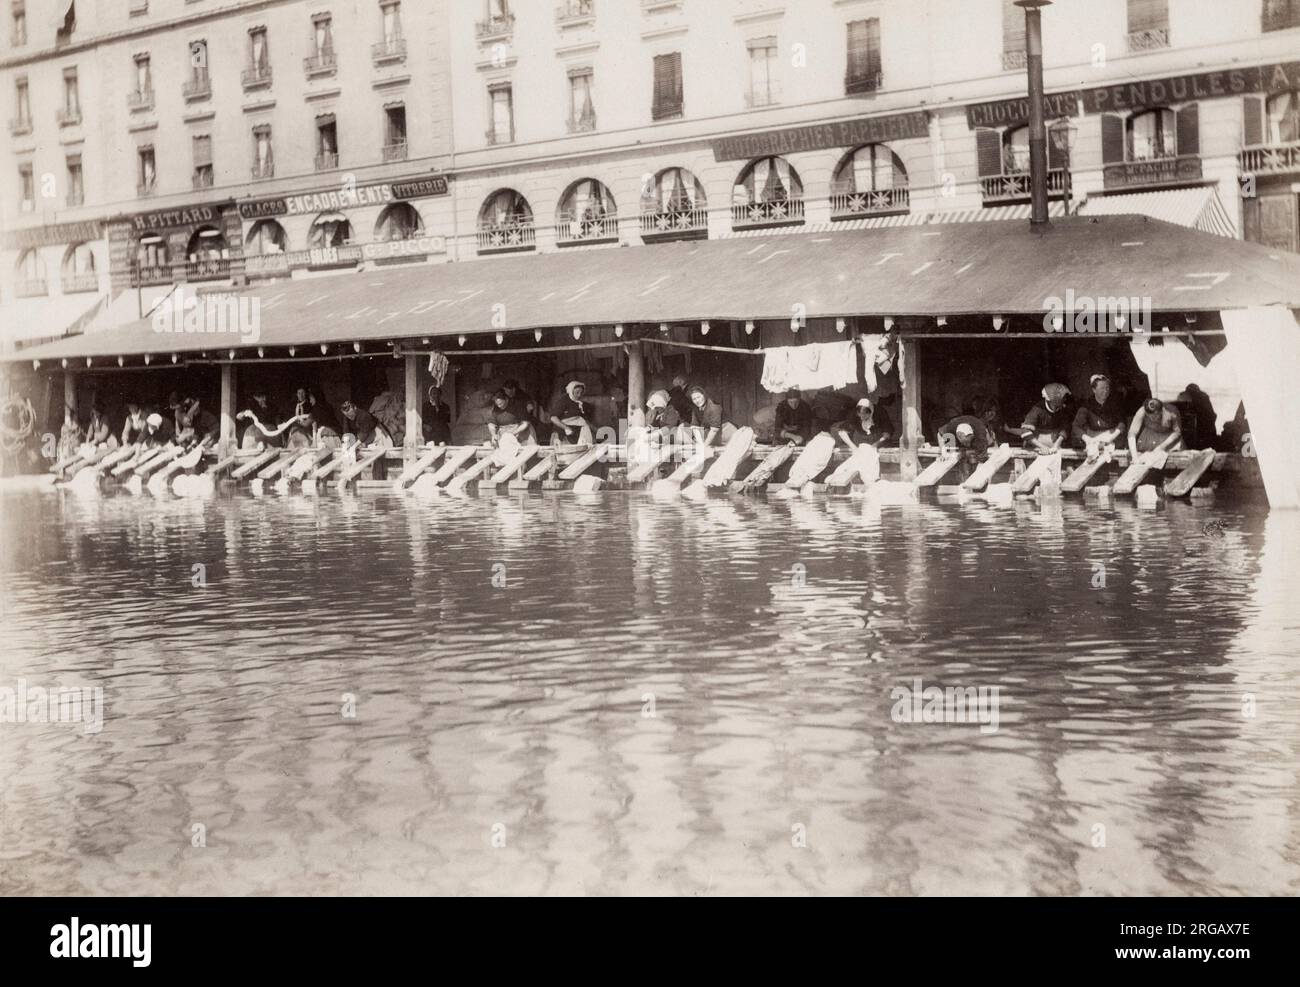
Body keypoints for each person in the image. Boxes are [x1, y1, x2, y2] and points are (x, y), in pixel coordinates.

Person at [1071, 374, 1125, 455]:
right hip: (1094, 437)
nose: (1105, 391)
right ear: (1094, 390)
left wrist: (1112, 436)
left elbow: (1122, 422)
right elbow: (1076, 426)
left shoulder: (1114, 403)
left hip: (1111, 436)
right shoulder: (1086, 405)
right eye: (1102, 388)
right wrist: (1087, 439)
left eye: (1107, 388)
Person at [1011, 383, 1072, 453]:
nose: (1063, 401)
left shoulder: (1063, 410)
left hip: (1055, 445)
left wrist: (1057, 444)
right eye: (1061, 399)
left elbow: (1066, 427)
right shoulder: (1037, 409)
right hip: (1036, 446)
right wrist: (1042, 447)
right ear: (1050, 400)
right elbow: (1025, 431)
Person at [549, 380, 594, 446]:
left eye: (581, 393)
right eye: (577, 392)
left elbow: (583, 420)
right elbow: (553, 418)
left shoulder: (579, 403)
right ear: (571, 391)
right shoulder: (564, 400)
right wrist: (566, 427)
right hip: (562, 435)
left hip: (574, 436)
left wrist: (596, 430)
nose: (579, 395)